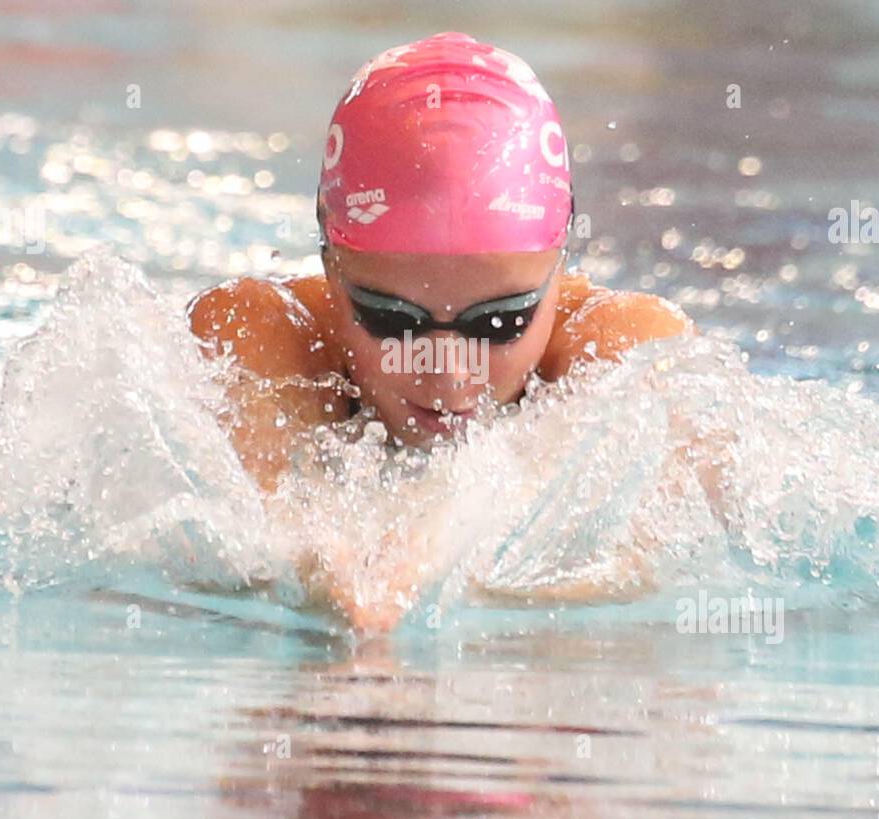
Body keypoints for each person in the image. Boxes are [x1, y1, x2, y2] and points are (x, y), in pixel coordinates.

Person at [188, 32, 691, 630]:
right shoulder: (262, 331)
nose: (449, 370)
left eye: (499, 322)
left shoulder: (628, 345)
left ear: (560, 266)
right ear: (329, 265)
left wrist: (437, 551)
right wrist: (326, 572)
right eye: (392, 319)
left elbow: (642, 562)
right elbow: (263, 539)